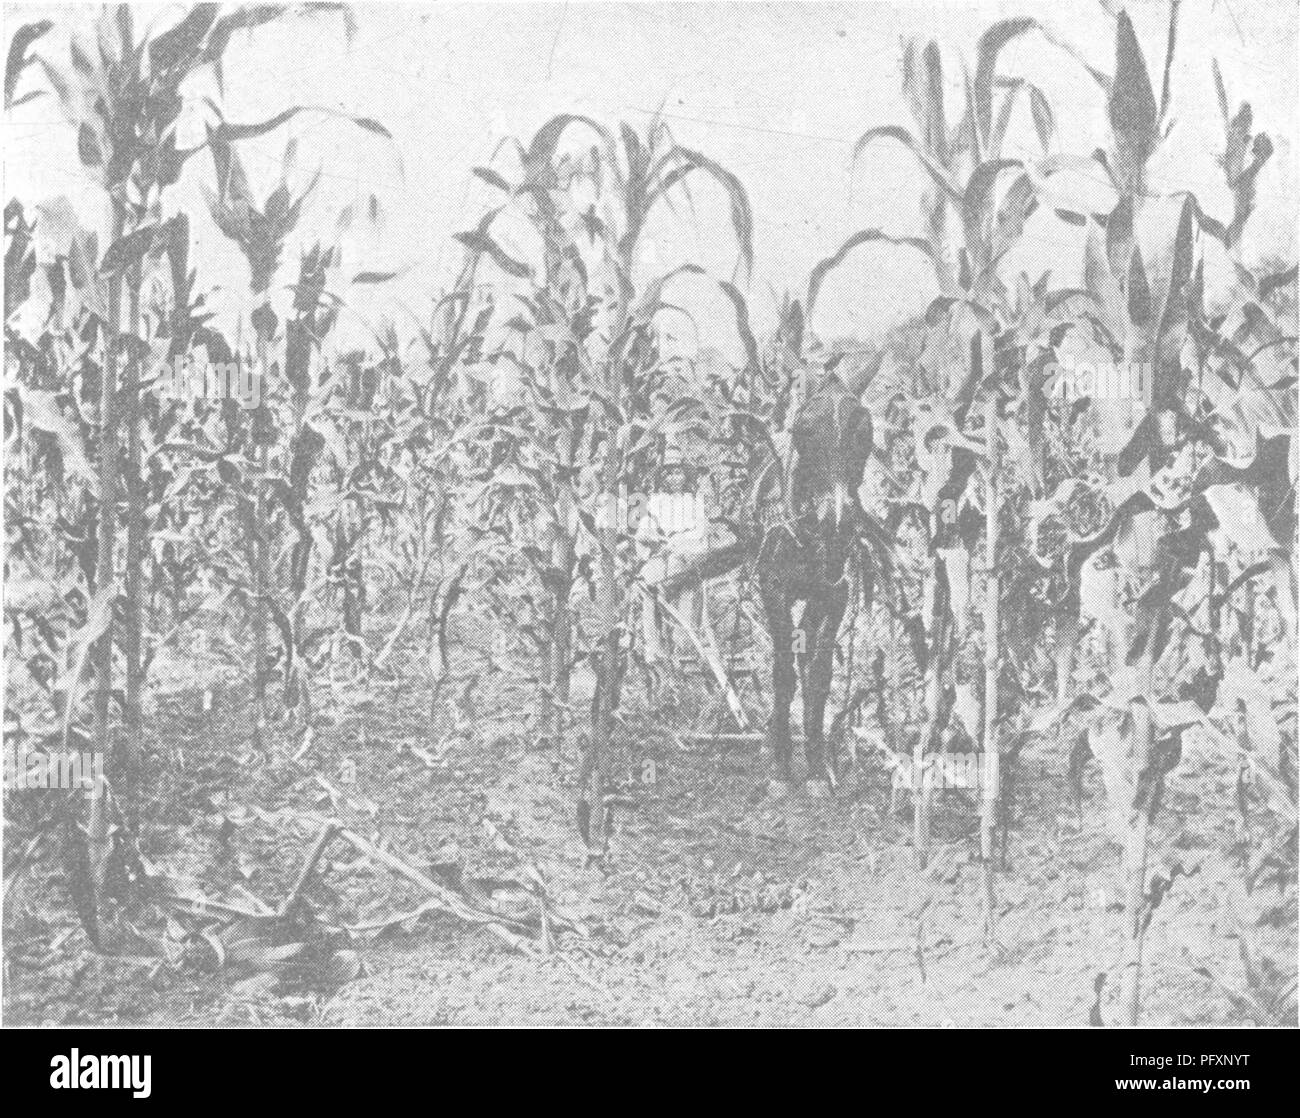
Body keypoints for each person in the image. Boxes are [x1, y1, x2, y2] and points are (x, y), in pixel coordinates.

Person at [637, 451, 711, 665]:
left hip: (686, 554)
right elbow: (644, 530)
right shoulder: (656, 501)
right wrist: (654, 537)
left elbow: (700, 531)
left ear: (686, 476)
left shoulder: (694, 501)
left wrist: (679, 540)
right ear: (663, 478)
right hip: (662, 556)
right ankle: (654, 647)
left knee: (688, 587)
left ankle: (683, 647)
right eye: (669, 474)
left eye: (679, 473)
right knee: (646, 587)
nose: (675, 478)